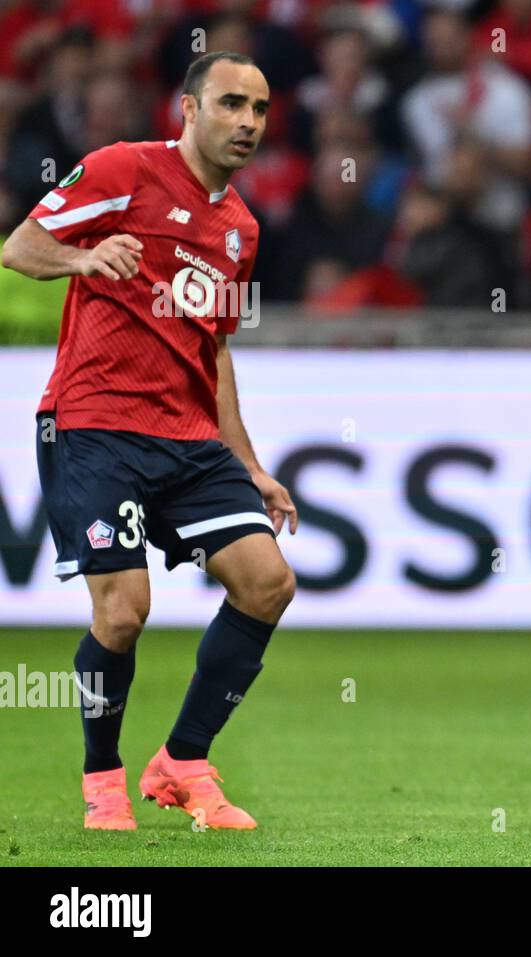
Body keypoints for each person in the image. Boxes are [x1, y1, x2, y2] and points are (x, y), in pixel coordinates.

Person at [0, 51, 298, 831]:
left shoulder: (240, 229)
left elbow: (216, 352)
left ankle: (184, 759)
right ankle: (103, 778)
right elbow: (19, 248)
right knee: (125, 611)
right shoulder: (122, 169)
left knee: (268, 581)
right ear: (188, 109)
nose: (248, 122)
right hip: (95, 422)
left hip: (189, 437)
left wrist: (250, 464)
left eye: (260, 110)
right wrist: (84, 256)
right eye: (232, 103)